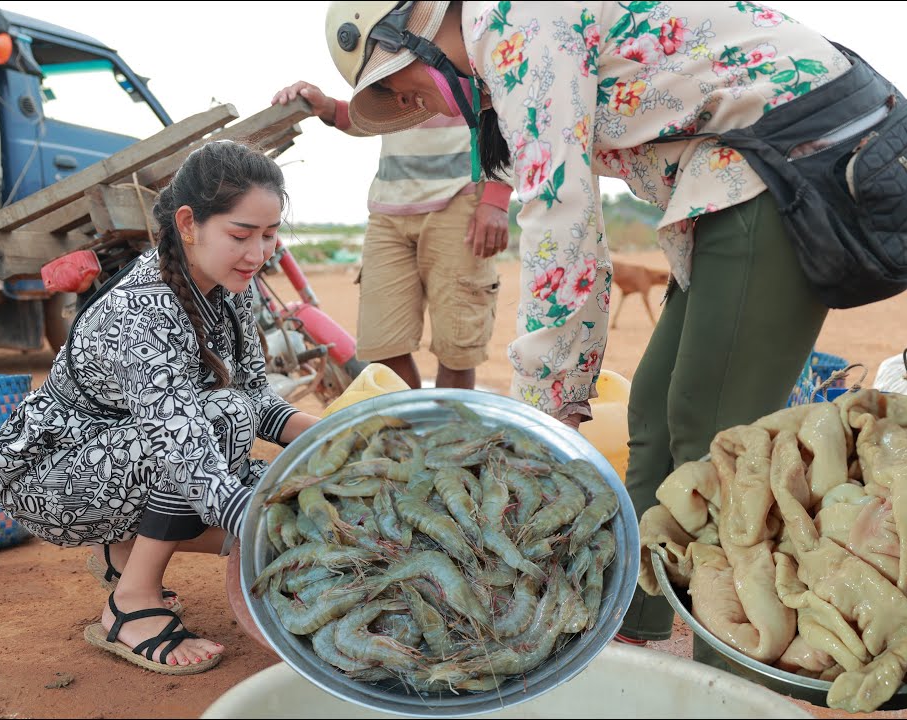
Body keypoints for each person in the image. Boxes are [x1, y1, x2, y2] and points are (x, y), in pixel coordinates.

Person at [322, 1, 845, 644]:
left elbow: (562, 220)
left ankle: (729, 670)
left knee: (713, 435)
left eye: (409, 88)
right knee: (654, 412)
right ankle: (634, 624)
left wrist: (548, 414)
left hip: (787, 161)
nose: (429, 108)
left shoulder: (515, 23)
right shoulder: (501, 46)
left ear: (421, 38)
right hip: (724, 181)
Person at [0, 140, 320, 674]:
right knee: (223, 432)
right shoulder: (141, 310)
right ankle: (130, 605)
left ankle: (120, 551)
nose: (258, 253)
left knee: (249, 446)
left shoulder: (230, 286)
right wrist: (250, 524)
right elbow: (182, 443)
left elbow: (257, 395)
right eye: (241, 234)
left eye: (269, 234)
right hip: (49, 477)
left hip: (116, 455)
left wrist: (332, 437)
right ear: (189, 223)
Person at [269, 78, 513, 390]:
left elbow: (509, 109)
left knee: (457, 347)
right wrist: (328, 107)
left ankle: (447, 438)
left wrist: (496, 195)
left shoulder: (466, 34)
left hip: (460, 198)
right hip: (389, 207)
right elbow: (377, 115)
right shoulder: (381, 41)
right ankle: (413, 435)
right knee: (384, 345)